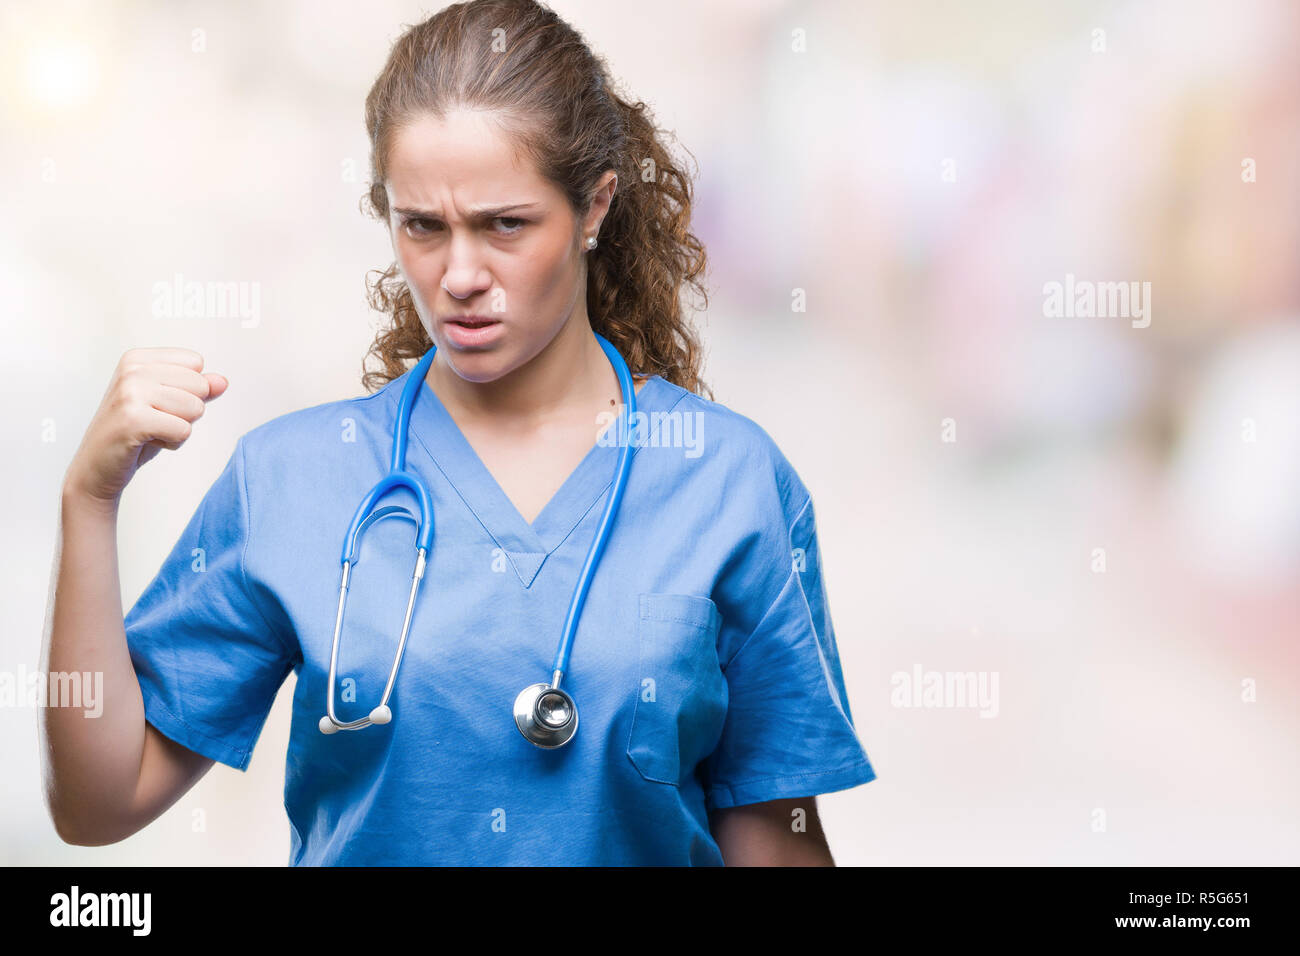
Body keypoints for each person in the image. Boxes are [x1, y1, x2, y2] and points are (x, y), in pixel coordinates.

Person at [40, 0, 876, 866]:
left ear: (594, 208)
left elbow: (776, 836)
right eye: (423, 227)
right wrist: (88, 500)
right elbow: (99, 802)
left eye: (505, 224)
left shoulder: (729, 482)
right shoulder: (290, 481)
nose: (460, 275)